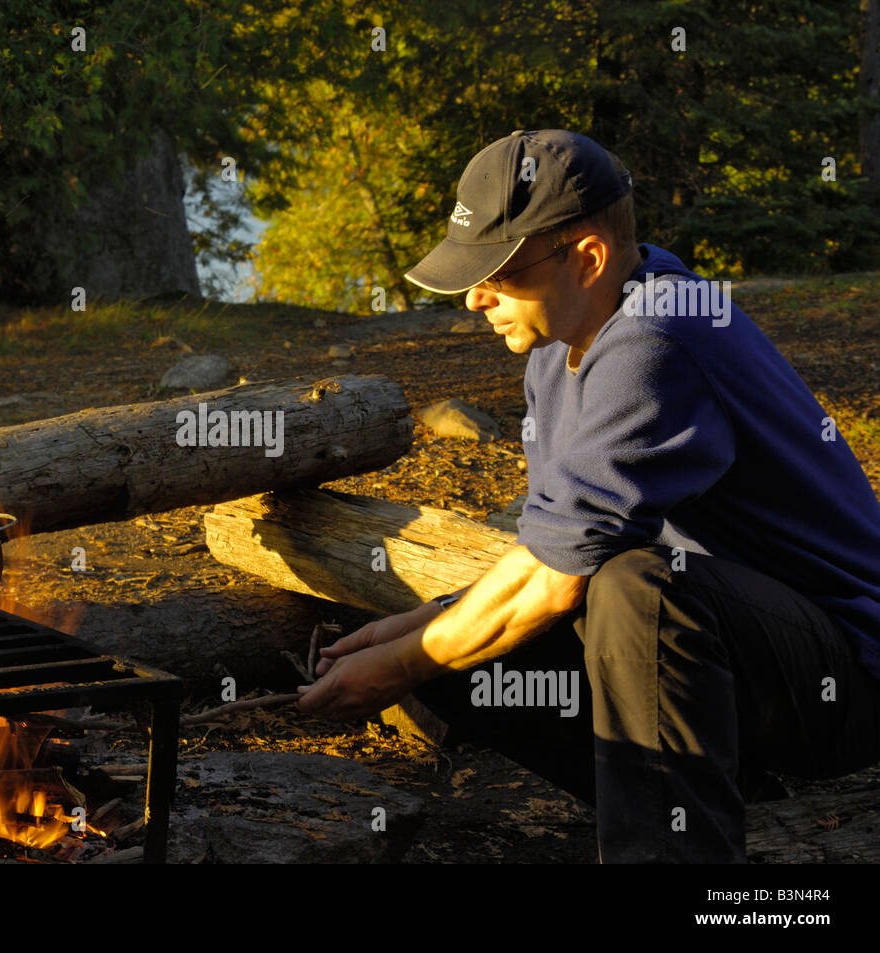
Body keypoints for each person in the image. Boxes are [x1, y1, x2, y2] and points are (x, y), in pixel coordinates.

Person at [295, 129, 880, 862]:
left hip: (845, 675)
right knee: (461, 651)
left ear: (588, 257)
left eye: (498, 274)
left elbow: (559, 577)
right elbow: (556, 544)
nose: (476, 298)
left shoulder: (656, 341)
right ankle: (722, 794)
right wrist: (420, 625)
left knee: (641, 587)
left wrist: (405, 660)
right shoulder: (558, 338)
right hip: (742, 655)